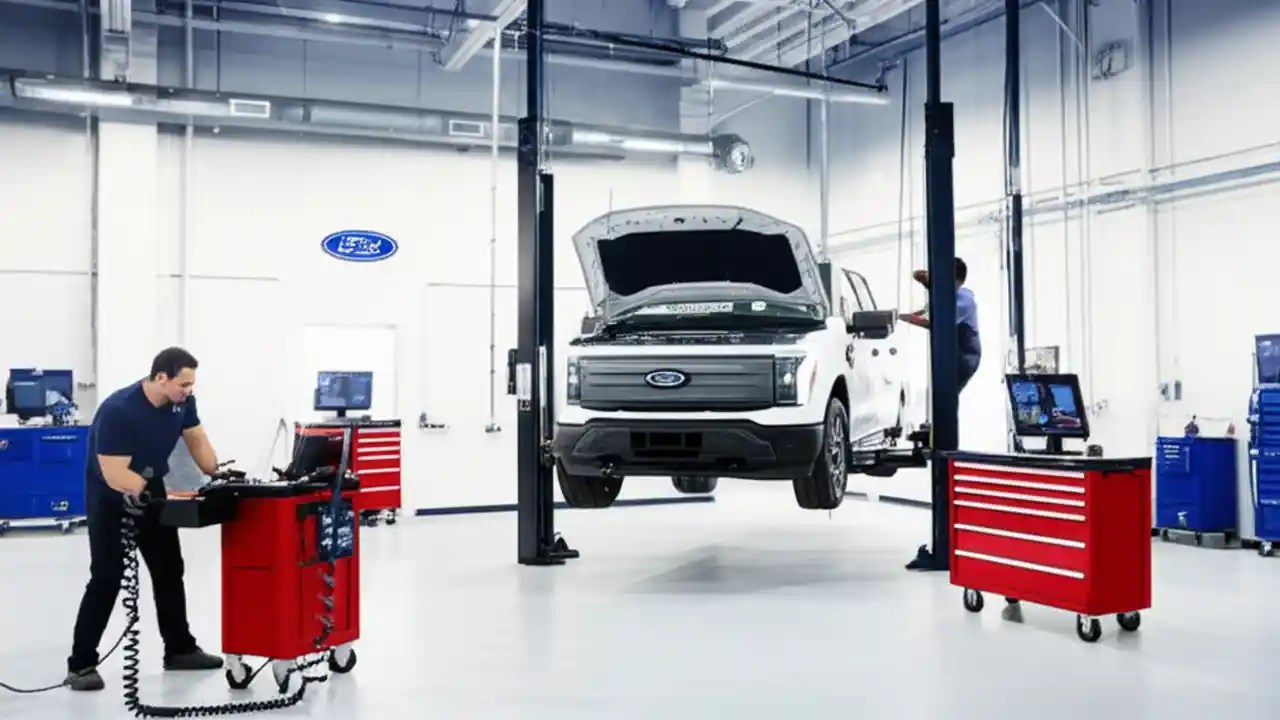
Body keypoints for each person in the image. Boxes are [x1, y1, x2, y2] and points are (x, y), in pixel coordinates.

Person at [64, 347, 225, 691]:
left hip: (150, 484)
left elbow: (195, 436)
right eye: (183, 383)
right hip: (111, 495)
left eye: (191, 384)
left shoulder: (182, 403)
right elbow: (113, 473)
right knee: (107, 577)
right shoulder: (119, 410)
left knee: (169, 569)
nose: (188, 389)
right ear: (161, 377)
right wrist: (162, 494)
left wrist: (218, 472)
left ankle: (179, 649)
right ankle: (81, 664)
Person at [898, 257, 982, 392]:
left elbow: (937, 324)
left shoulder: (964, 302)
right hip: (953, 352)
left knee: (947, 394)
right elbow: (919, 277)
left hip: (965, 357)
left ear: (956, 280)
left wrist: (905, 318)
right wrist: (926, 279)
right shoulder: (954, 292)